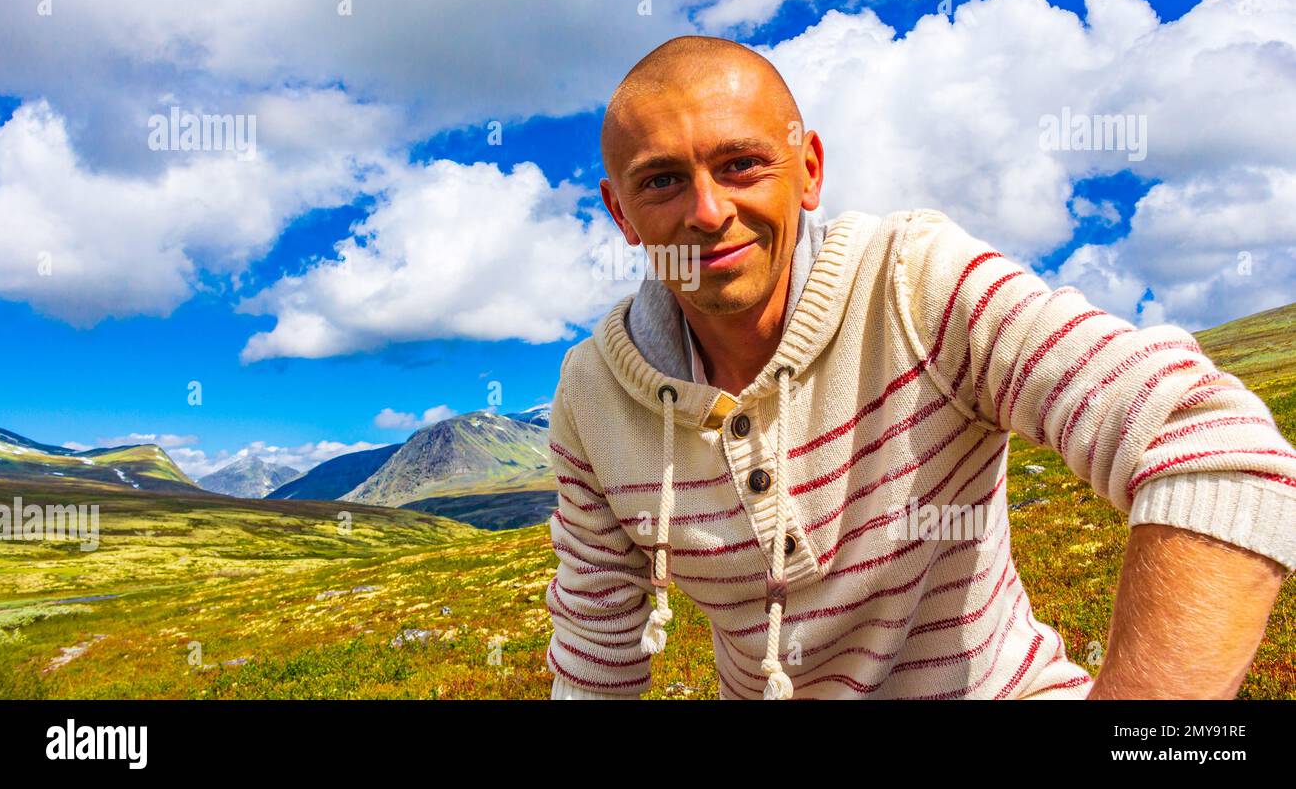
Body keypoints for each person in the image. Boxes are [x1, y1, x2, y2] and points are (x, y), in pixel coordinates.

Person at [545, 35, 1295, 700]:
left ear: (808, 171)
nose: (707, 212)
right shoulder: (591, 393)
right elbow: (593, 658)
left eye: (742, 164)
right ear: (620, 213)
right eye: (662, 180)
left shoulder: (918, 282)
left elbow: (1219, 448)